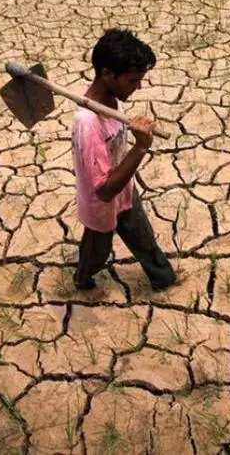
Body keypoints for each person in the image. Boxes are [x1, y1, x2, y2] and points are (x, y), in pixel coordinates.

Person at [71, 28, 176, 291]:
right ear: (107, 73)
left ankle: (164, 278)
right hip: (101, 205)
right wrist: (140, 148)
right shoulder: (87, 123)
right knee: (96, 252)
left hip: (126, 189)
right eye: (132, 81)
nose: (138, 87)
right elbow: (104, 191)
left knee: (144, 239)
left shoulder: (112, 100)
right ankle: (82, 281)